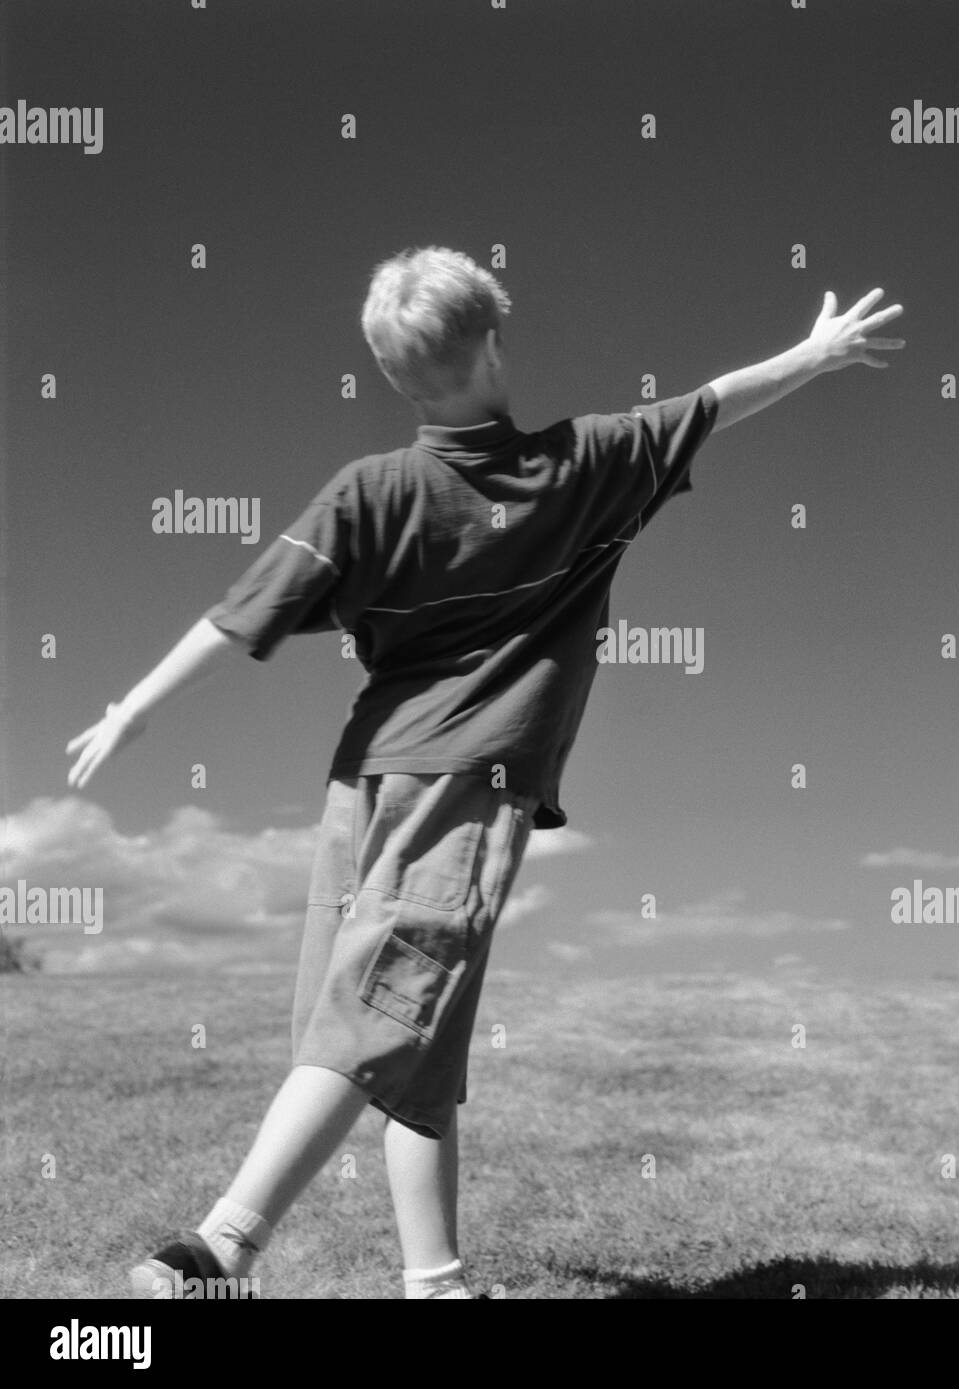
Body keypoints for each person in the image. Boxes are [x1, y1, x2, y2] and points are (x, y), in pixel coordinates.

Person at [65, 246, 904, 1298]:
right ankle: (218, 1248)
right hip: (462, 783)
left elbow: (236, 616)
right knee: (380, 1018)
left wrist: (130, 709)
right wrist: (818, 354)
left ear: (390, 375)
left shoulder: (367, 491)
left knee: (410, 1034)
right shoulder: (585, 464)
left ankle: (436, 1284)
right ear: (496, 345)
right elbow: (719, 401)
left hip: (359, 785)